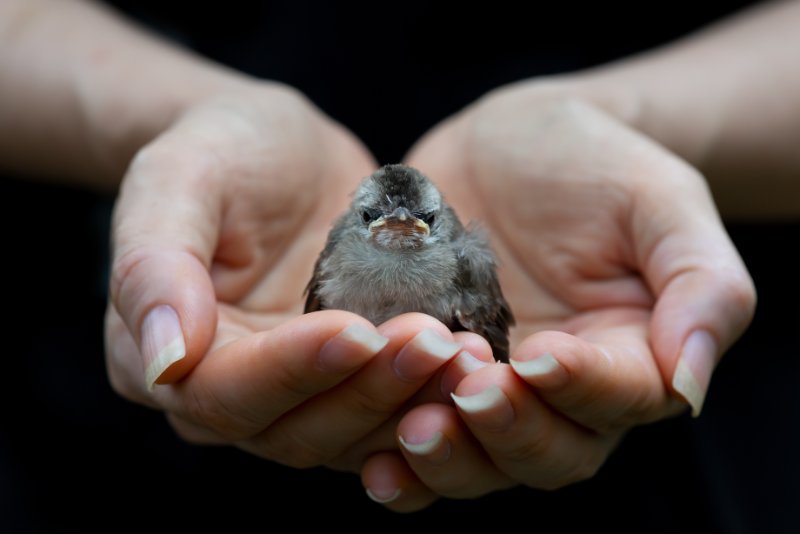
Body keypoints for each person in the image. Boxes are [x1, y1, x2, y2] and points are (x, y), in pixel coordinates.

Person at [1, 0, 796, 526]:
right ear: (358, 223)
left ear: (439, 223)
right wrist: (177, 118)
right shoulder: (337, 262)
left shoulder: (461, 270)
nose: (403, 229)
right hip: (111, 455)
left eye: (421, 219)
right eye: (378, 219)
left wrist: (631, 120)